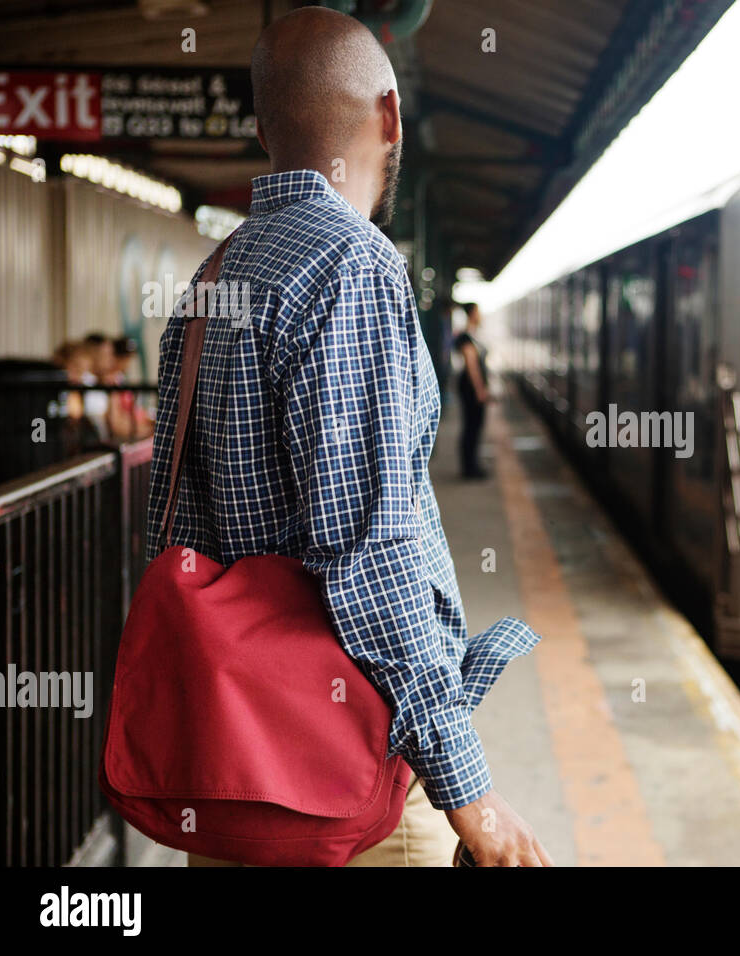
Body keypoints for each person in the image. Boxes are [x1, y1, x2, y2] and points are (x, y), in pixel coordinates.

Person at [145, 6, 551, 867]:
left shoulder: (212, 277)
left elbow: (171, 530)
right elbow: (370, 555)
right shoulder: (353, 265)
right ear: (391, 116)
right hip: (348, 780)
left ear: (263, 131)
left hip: (234, 780)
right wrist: (468, 789)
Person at [452, 302, 490, 480]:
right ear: (472, 314)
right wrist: (480, 389)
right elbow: (472, 366)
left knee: (474, 427)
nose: (480, 315)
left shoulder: (471, 336)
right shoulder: (466, 338)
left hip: (471, 387)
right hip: (470, 388)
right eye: (478, 311)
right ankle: (469, 468)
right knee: (471, 427)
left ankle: (472, 465)